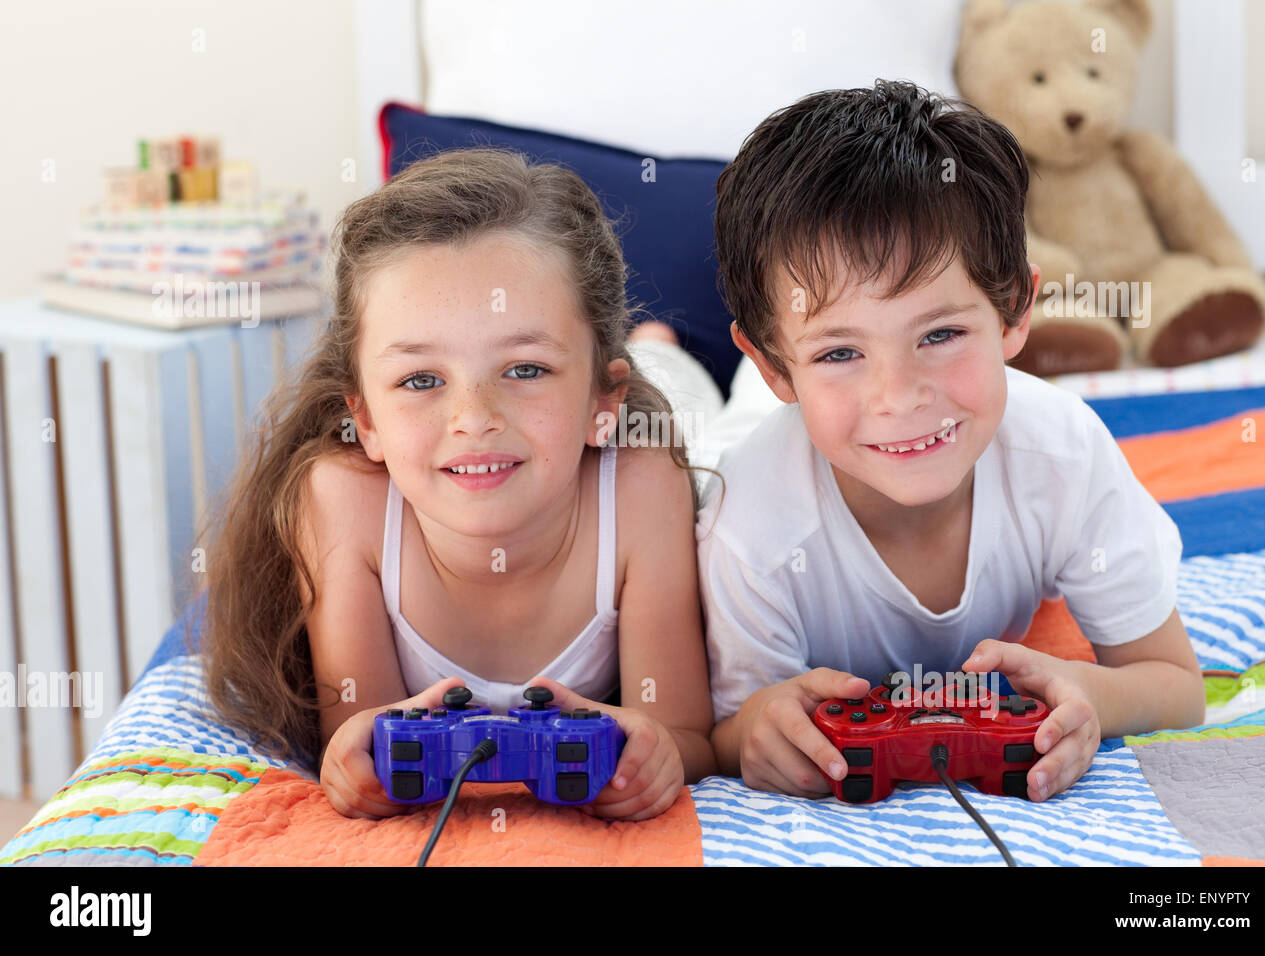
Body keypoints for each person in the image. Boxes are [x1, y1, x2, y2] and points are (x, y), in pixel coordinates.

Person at [699, 80, 1206, 801]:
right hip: (759, 430)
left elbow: (1178, 687)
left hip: (821, 421)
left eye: (940, 335)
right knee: (688, 404)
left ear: (1015, 313)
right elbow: (722, 733)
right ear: (774, 365)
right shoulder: (745, 529)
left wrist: (1093, 693)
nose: (900, 395)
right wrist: (756, 729)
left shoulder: (1061, 453)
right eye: (839, 352)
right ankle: (667, 347)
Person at [197, 147, 716, 821]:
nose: (474, 419)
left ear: (602, 400)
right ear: (365, 420)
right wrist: (354, 764)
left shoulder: (643, 486)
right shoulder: (340, 500)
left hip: (674, 408)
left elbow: (686, 737)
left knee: (693, 390)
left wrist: (657, 751)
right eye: (421, 380)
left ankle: (659, 346)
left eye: (525, 369)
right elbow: (356, 742)